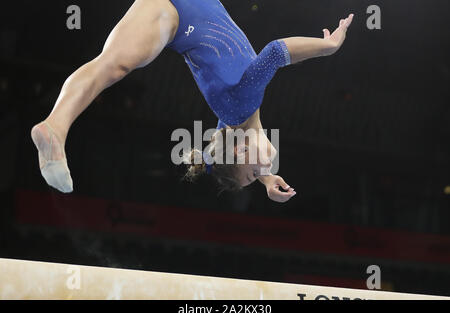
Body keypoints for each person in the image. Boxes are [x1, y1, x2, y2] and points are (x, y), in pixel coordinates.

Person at [31, 0, 353, 203]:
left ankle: (56, 130)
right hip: (178, 13)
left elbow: (275, 52)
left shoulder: (241, 106)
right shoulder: (236, 113)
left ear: (240, 149)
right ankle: (55, 129)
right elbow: (230, 149)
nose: (264, 169)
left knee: (111, 65)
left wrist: (328, 47)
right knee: (112, 65)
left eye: (253, 172)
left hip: (174, 12)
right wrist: (265, 177)